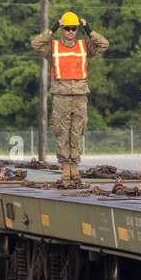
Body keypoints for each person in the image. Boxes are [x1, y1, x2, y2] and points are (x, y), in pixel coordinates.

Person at [30, 11, 108, 185]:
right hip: (60, 95)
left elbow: (103, 44)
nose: (71, 32)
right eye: (67, 28)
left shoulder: (84, 47)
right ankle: (65, 167)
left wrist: (89, 29)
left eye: (74, 29)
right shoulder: (53, 48)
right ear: (62, 30)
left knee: (77, 131)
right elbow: (35, 44)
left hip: (80, 95)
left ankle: (75, 166)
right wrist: (52, 28)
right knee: (62, 131)